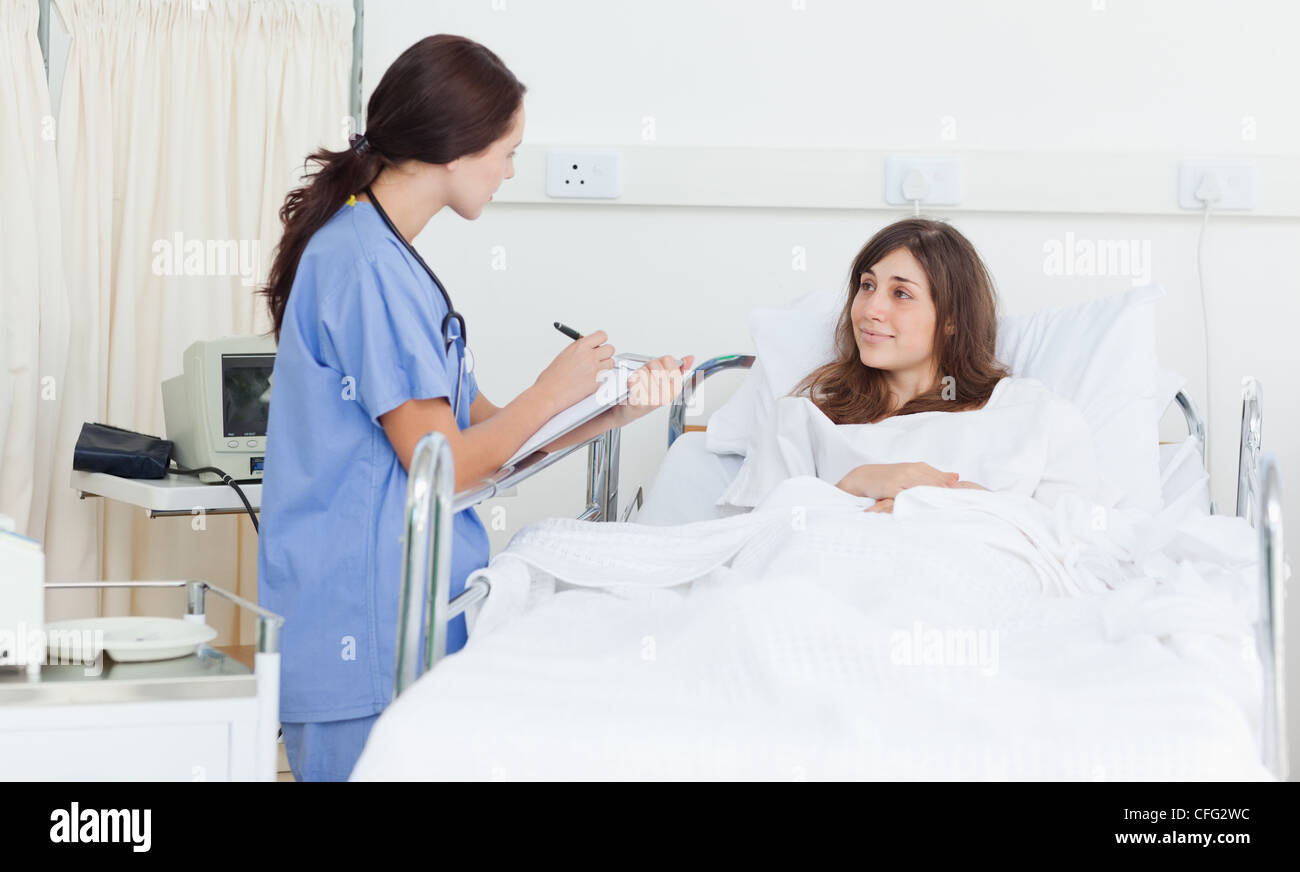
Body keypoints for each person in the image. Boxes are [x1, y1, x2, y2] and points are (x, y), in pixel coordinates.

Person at [257, 34, 692, 781]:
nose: (511, 171)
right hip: (361, 633)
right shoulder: (362, 265)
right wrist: (550, 391)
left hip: (414, 618)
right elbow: (449, 466)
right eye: (508, 150)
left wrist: (609, 410)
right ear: (455, 149)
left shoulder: (390, 259)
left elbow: (491, 441)